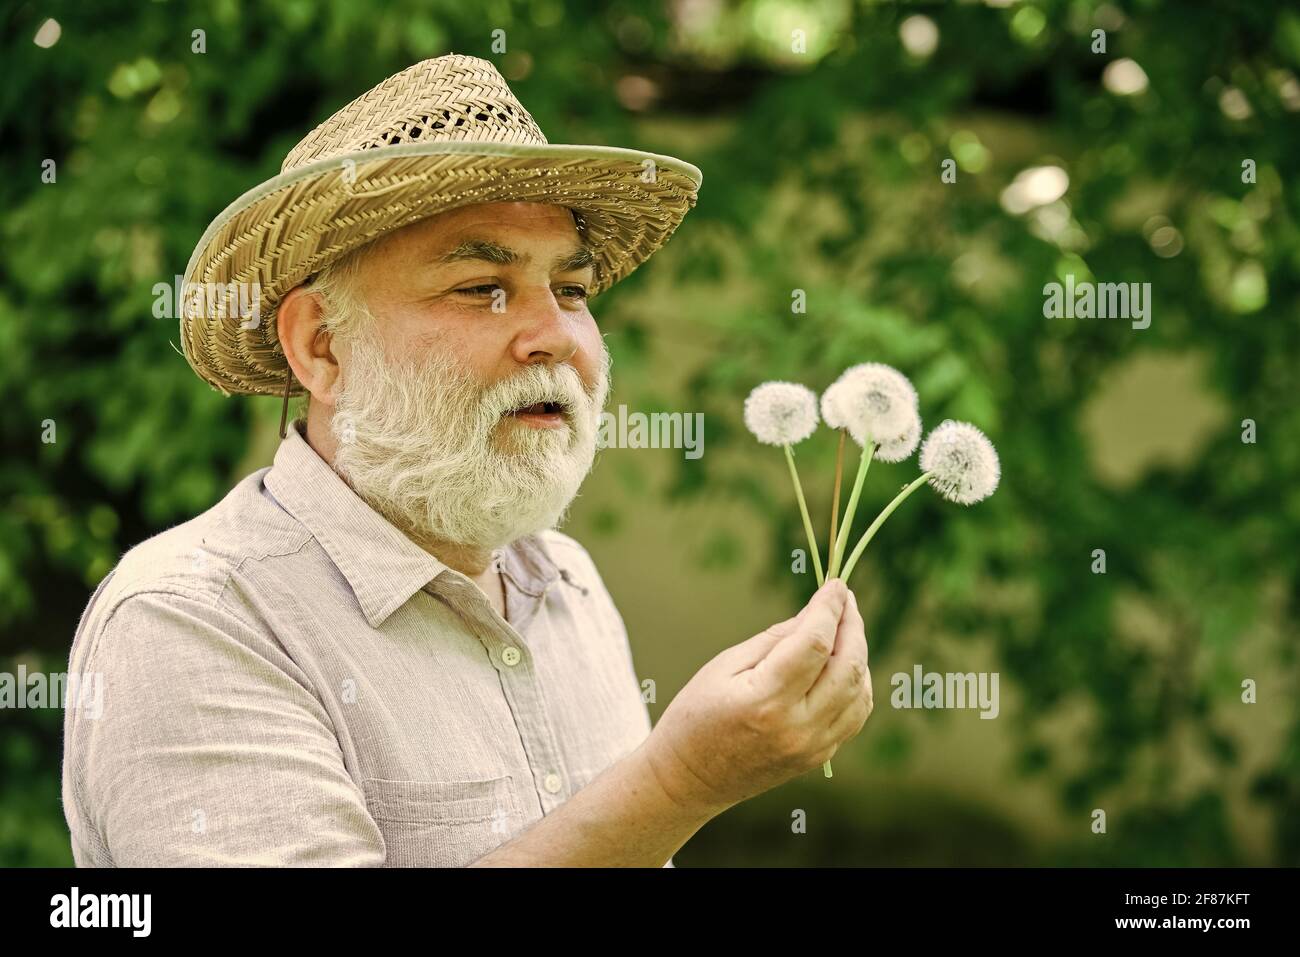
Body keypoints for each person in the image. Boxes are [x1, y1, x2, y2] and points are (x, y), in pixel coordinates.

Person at [61, 54, 873, 867]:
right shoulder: (193, 617)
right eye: (483, 287)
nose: (552, 334)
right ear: (321, 346)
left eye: (573, 290)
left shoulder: (568, 586)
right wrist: (680, 782)